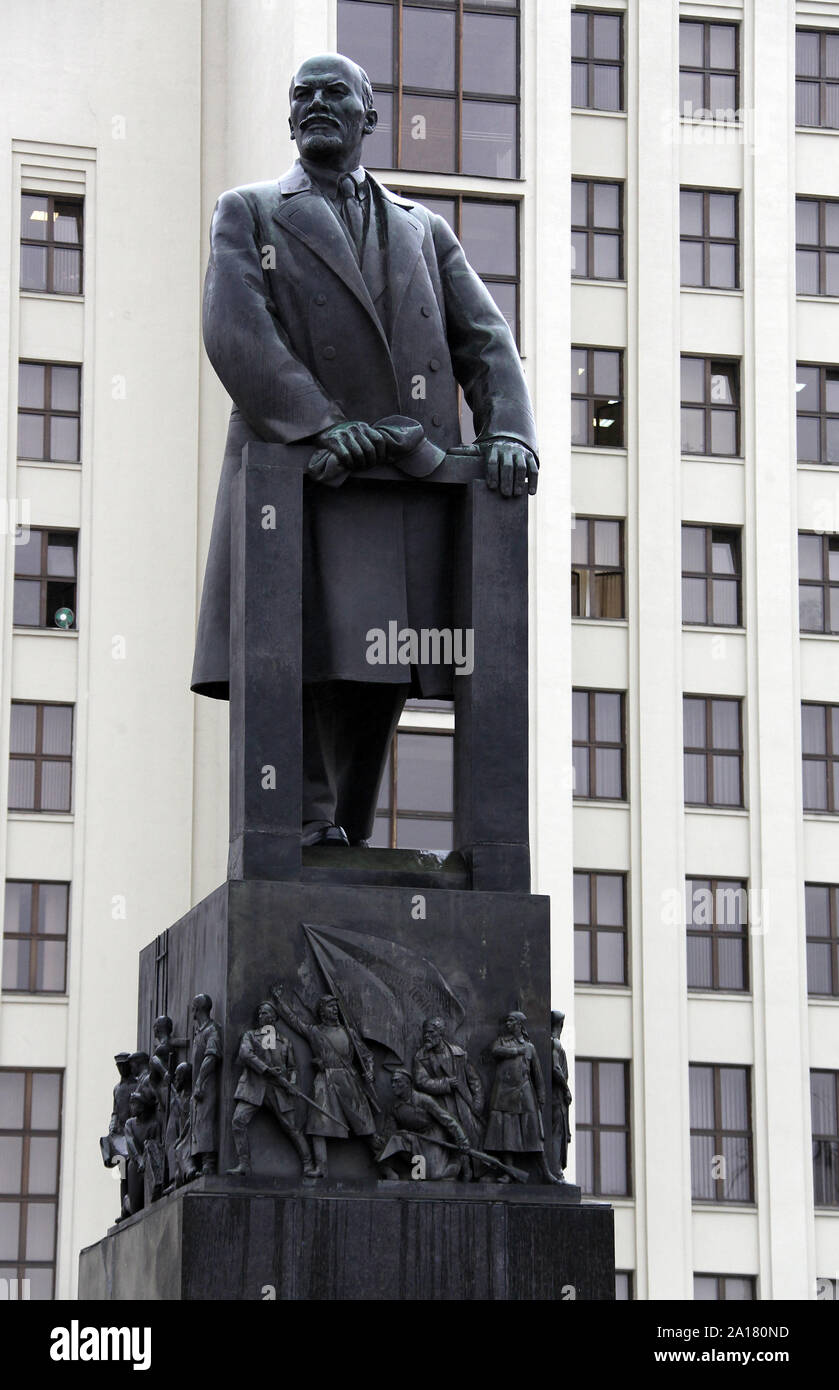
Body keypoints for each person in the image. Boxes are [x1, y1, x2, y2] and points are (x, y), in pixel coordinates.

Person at [191, 52, 539, 848]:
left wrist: (508, 432)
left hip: (403, 482)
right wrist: (320, 423)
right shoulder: (249, 210)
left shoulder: (424, 228)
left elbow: (485, 339)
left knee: (380, 657)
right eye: (302, 94)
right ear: (289, 116)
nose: (316, 102)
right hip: (302, 471)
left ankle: (342, 830)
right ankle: (304, 826)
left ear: (368, 115)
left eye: (334, 92)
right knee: (297, 649)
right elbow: (236, 331)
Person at [269, 983, 381, 1175]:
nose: (335, 1010)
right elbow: (295, 1021)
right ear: (322, 1012)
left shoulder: (349, 1032)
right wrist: (279, 1001)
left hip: (348, 1080)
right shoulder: (315, 1031)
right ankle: (321, 1167)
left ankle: (385, 1167)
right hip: (325, 1081)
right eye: (330, 1007)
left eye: (336, 1007)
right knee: (317, 1123)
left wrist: (370, 1071)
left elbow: (366, 1055)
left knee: (365, 1126)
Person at [228, 1000, 321, 1179]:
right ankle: (244, 1164)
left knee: (292, 1128)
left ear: (274, 1017)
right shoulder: (250, 1036)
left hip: (278, 1089)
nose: (261, 1016)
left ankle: (308, 1165)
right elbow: (245, 1054)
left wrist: (292, 1083)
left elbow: (292, 1068)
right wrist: (266, 1069)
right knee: (238, 1121)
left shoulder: (285, 1042)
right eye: (260, 1013)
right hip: (254, 1086)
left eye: (265, 1013)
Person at [484, 1011, 558, 1183]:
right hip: (504, 1094)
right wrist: (517, 1051)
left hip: (524, 1092)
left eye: (511, 1021)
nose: (507, 1024)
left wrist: (541, 1095)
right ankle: (509, 1172)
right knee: (507, 1135)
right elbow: (495, 1050)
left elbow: (537, 1074)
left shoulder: (530, 1047)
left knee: (534, 1133)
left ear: (519, 1024)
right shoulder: (502, 1042)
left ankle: (546, 1173)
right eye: (507, 1021)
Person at [412, 1016, 484, 1172]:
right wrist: (445, 1083)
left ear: (440, 1033)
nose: (426, 1036)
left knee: (472, 1135)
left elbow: (474, 1080)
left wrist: (478, 1103)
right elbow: (421, 1081)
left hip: (463, 1104)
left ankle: (477, 1171)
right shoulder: (421, 1056)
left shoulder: (458, 1053)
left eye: (431, 1032)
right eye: (425, 1032)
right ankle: (457, 1170)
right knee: (450, 1139)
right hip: (440, 1106)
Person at [377, 1070, 470, 1180]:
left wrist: (462, 1139)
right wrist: (381, 1142)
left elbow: (446, 1119)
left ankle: (458, 1160)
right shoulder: (394, 1107)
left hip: (432, 1135)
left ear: (408, 1084)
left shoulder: (424, 1100)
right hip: (413, 1137)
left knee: (435, 1176)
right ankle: (398, 1171)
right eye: (392, 1082)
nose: (393, 1085)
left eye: (398, 1082)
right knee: (395, 1140)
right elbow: (389, 1131)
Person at [189, 994, 223, 1175]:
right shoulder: (199, 1032)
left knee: (206, 1119)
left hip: (207, 1084)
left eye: (193, 1007)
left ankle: (209, 1162)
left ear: (198, 1008)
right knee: (198, 1121)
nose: (191, 1010)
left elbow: (211, 1057)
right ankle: (198, 1163)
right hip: (198, 1083)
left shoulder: (212, 1029)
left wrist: (200, 1082)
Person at [550, 1009, 572, 1179]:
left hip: (555, 1097)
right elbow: (556, 1068)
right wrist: (566, 1088)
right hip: (557, 1096)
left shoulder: (549, 1042)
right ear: (560, 1025)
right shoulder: (555, 1043)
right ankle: (556, 1170)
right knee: (557, 1133)